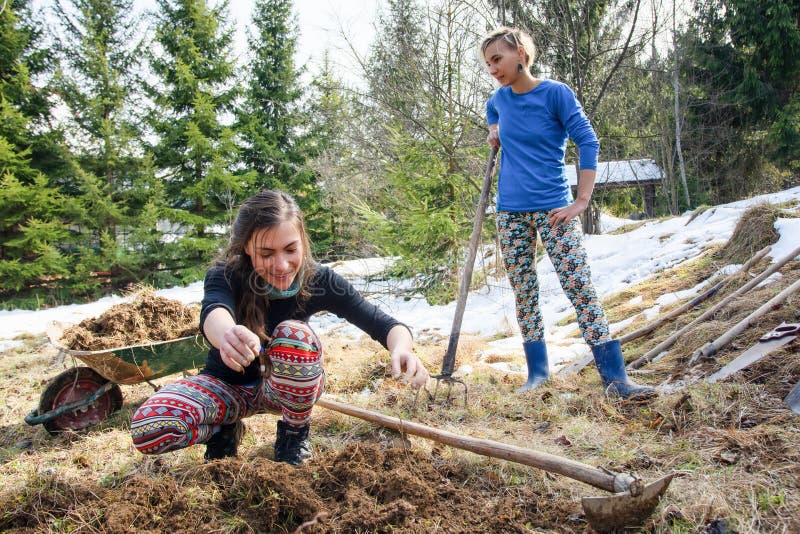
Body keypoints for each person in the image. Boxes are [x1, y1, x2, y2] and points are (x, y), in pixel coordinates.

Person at [131, 190, 429, 464]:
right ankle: (223, 431)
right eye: (266, 254)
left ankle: (293, 435)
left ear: (302, 240)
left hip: (285, 388)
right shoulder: (224, 274)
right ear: (246, 247)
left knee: (294, 334)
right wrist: (228, 336)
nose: (282, 265)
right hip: (227, 387)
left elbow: (385, 324)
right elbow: (214, 313)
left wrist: (402, 348)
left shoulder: (320, 280)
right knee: (151, 427)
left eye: (290, 249)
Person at [480, 27, 654, 399]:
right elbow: (492, 110)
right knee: (524, 293)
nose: (492, 68)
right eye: (488, 63)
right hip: (510, 212)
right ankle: (538, 375)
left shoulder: (555, 94)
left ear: (521, 54)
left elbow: (587, 140)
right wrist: (493, 129)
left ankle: (615, 379)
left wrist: (581, 202)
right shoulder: (500, 99)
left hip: (554, 209)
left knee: (579, 287)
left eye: (498, 59)